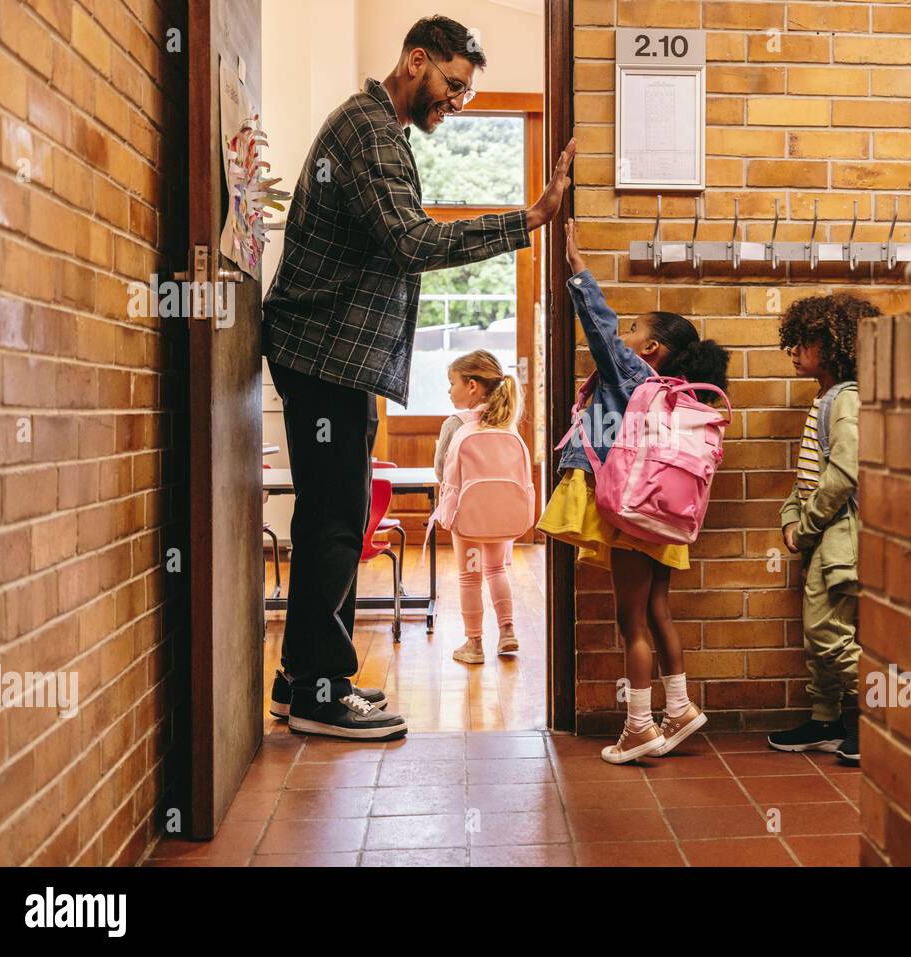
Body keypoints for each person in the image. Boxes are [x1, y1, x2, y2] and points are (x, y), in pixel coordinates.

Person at [262, 14, 575, 740]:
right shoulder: (370, 132)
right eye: (452, 87)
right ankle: (315, 691)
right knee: (335, 519)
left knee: (337, 514)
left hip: (339, 358)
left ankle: (308, 675)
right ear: (415, 60)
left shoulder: (382, 132)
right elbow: (411, 240)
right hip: (324, 354)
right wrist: (527, 219)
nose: (455, 103)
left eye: (465, 95)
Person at [537, 220, 730, 764]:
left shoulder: (635, 376)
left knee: (631, 620)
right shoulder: (682, 396)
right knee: (659, 610)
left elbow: (598, 325)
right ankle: (681, 706)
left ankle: (640, 727)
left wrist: (576, 266)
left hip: (635, 510)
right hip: (668, 513)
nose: (622, 340)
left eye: (633, 334)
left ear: (652, 347)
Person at [768, 292, 878, 765]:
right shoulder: (827, 399)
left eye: (805, 342)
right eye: (792, 342)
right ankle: (825, 720)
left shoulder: (847, 399)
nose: (794, 351)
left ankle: (890, 723)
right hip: (822, 531)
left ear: (835, 346)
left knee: (827, 632)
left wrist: (808, 525)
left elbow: (846, 472)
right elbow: (808, 477)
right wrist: (791, 517)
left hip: (839, 534)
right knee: (818, 637)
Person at [433, 350, 523, 665]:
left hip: (468, 516)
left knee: (470, 576)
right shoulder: (506, 422)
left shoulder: (456, 423)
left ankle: (474, 644)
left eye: (452, 383)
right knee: (497, 570)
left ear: (472, 386)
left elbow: (440, 470)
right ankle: (507, 630)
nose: (449, 390)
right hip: (502, 515)